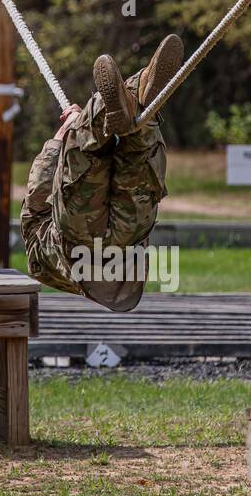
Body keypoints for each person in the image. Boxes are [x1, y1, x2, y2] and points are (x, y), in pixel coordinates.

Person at [20, 35, 183, 313]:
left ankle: (135, 102)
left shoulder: (44, 260)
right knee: (84, 154)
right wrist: (60, 140)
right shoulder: (37, 253)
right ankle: (127, 99)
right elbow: (37, 197)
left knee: (139, 157)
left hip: (126, 243)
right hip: (80, 231)